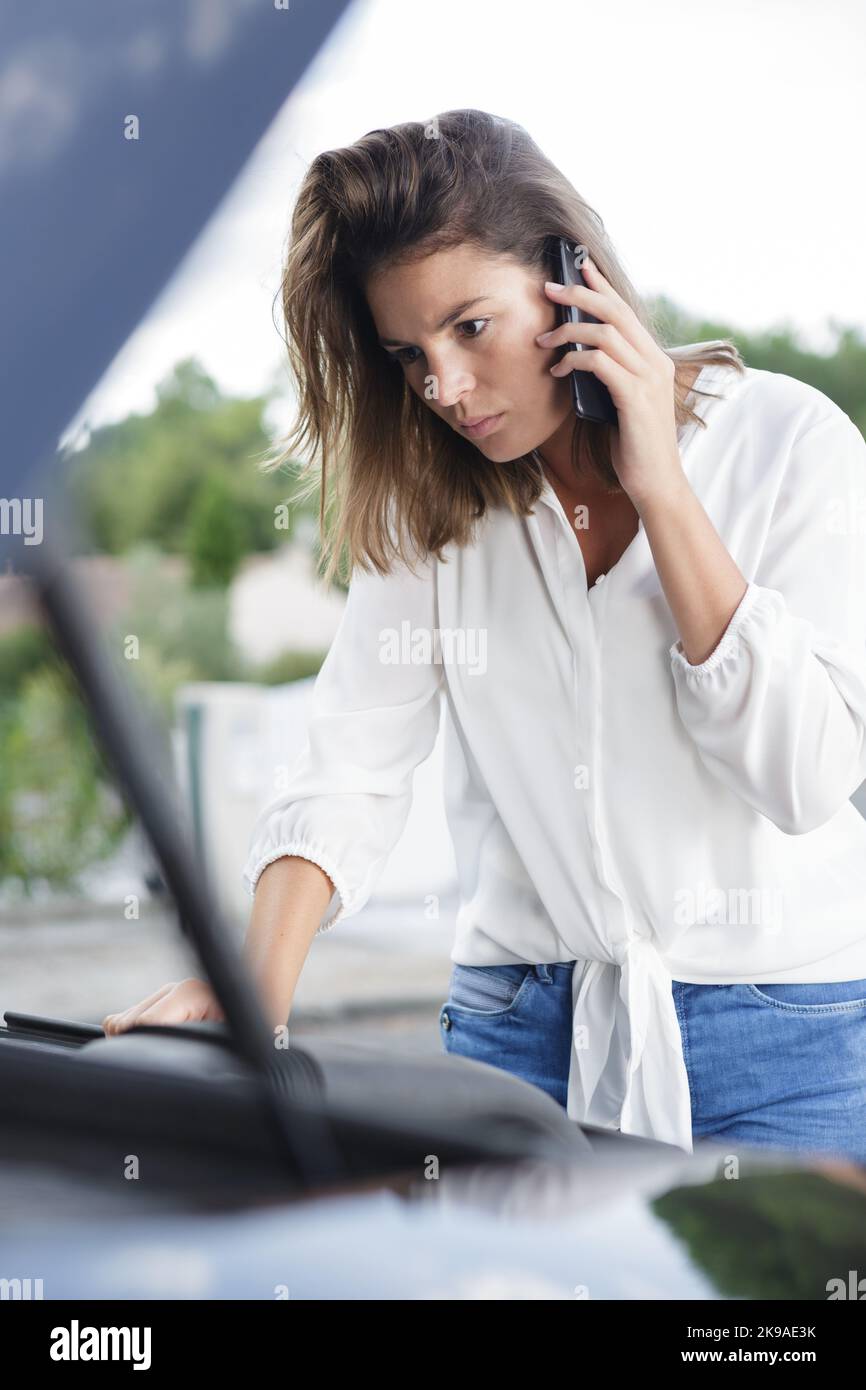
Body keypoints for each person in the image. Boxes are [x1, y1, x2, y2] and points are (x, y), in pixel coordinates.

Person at [104, 109, 866, 1164]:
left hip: (788, 1034)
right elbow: (351, 760)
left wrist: (661, 490)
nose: (444, 389)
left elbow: (801, 775)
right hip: (518, 1033)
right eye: (408, 353)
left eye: (469, 327)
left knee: (757, 1340)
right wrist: (251, 998)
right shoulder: (431, 498)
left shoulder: (790, 445)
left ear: (573, 282)